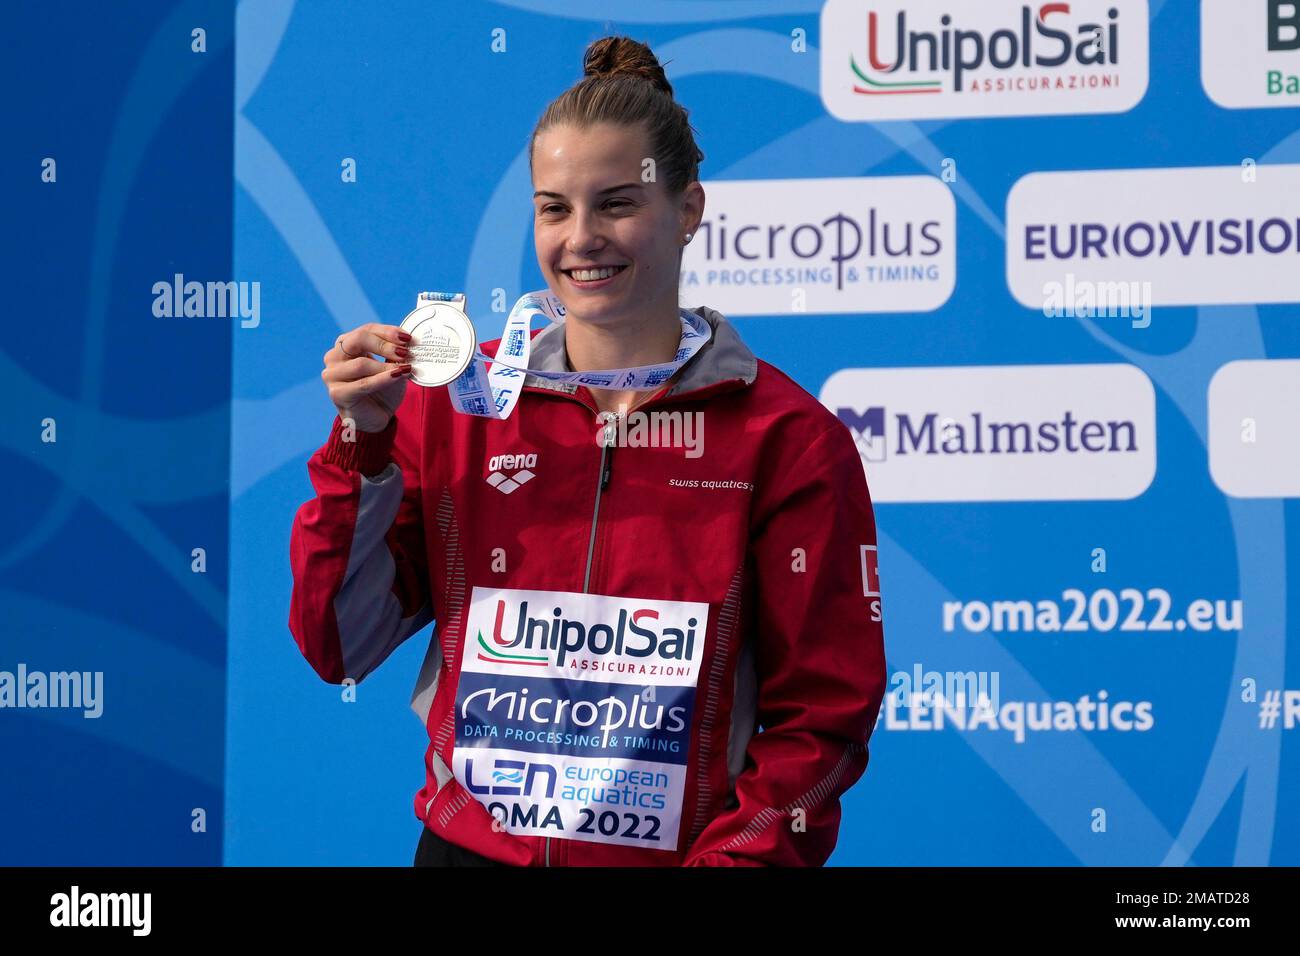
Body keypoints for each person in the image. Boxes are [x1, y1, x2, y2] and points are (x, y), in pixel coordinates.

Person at [289, 35, 886, 867]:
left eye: (616, 204)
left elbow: (823, 715)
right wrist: (367, 445)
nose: (581, 239)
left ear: (687, 210)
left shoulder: (787, 439)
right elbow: (338, 645)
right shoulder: (461, 403)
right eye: (554, 208)